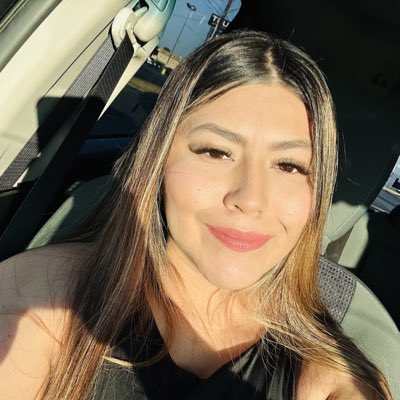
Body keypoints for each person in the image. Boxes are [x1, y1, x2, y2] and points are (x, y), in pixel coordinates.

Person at [0, 31, 393, 399]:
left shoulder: (336, 374)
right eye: (216, 152)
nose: (251, 199)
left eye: (289, 165)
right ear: (159, 159)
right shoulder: (41, 301)